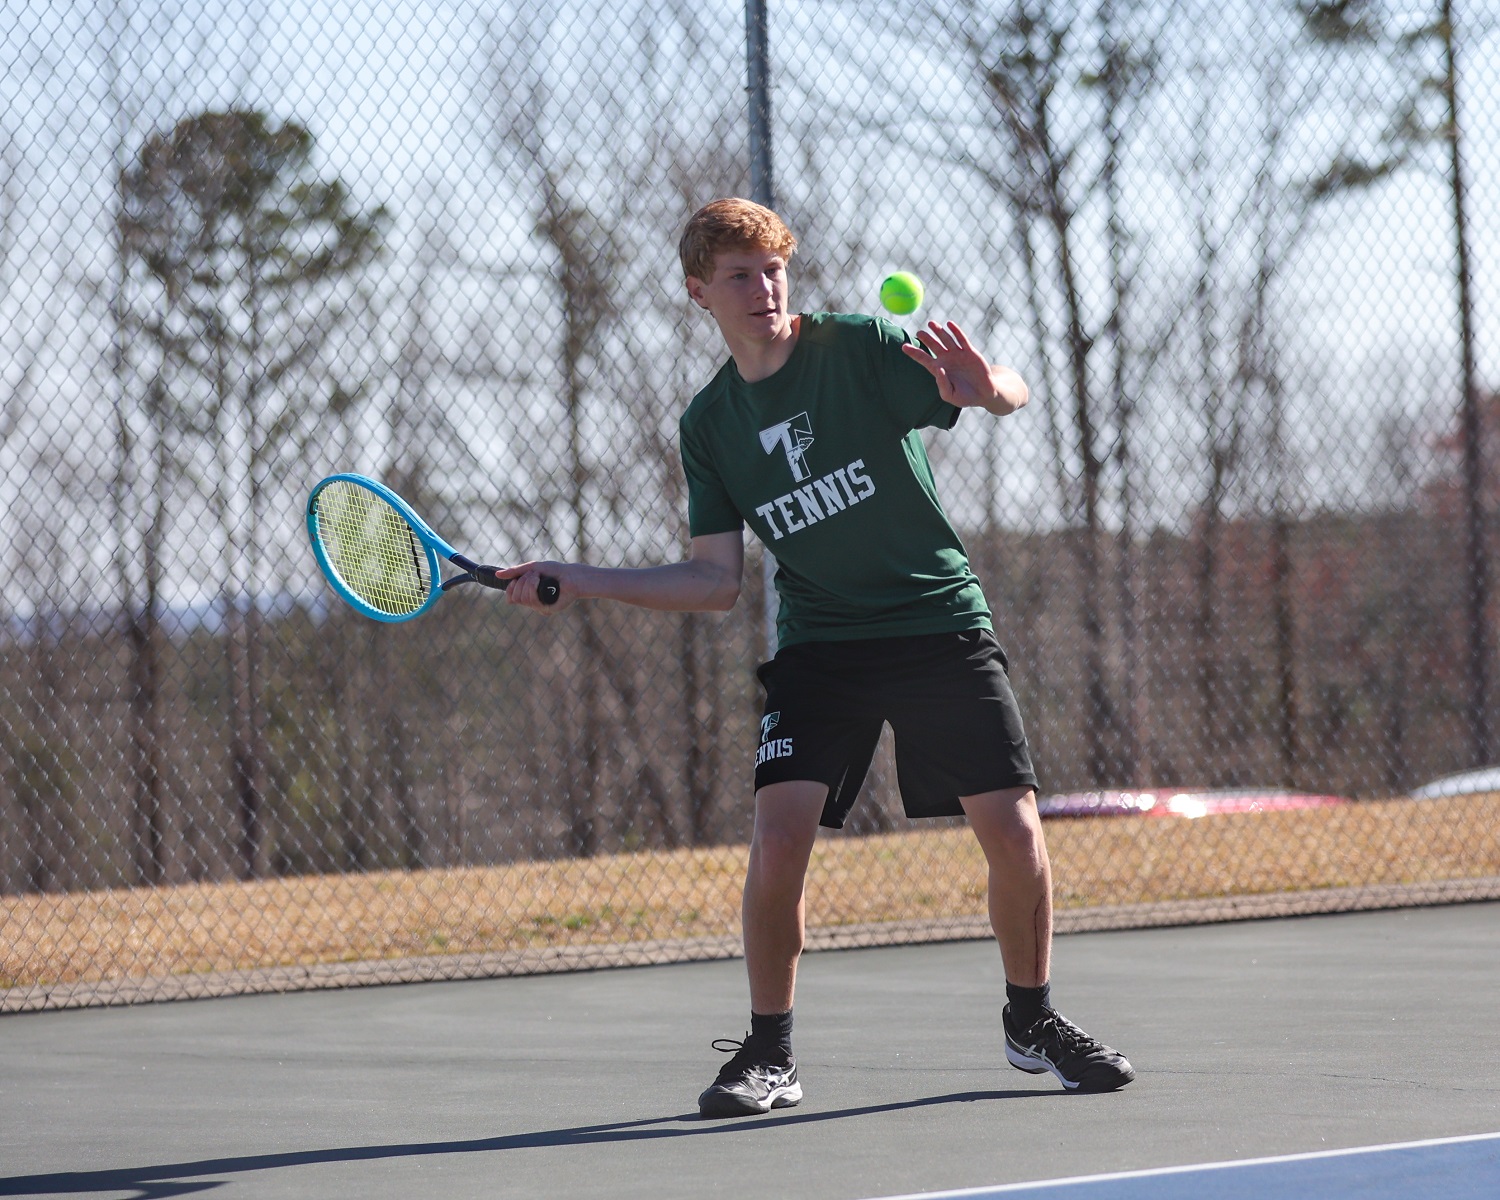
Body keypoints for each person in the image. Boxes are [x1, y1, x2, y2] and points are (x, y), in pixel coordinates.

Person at [499, 197, 1134, 1117]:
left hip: (934, 620)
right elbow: (714, 581)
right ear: (697, 293)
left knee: (1015, 830)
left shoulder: (859, 349)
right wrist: (581, 579)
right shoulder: (709, 425)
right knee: (780, 835)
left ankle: (1031, 1020)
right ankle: (769, 1054)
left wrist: (982, 389)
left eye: (773, 270)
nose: (764, 290)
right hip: (823, 643)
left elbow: (1012, 386)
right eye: (739, 276)